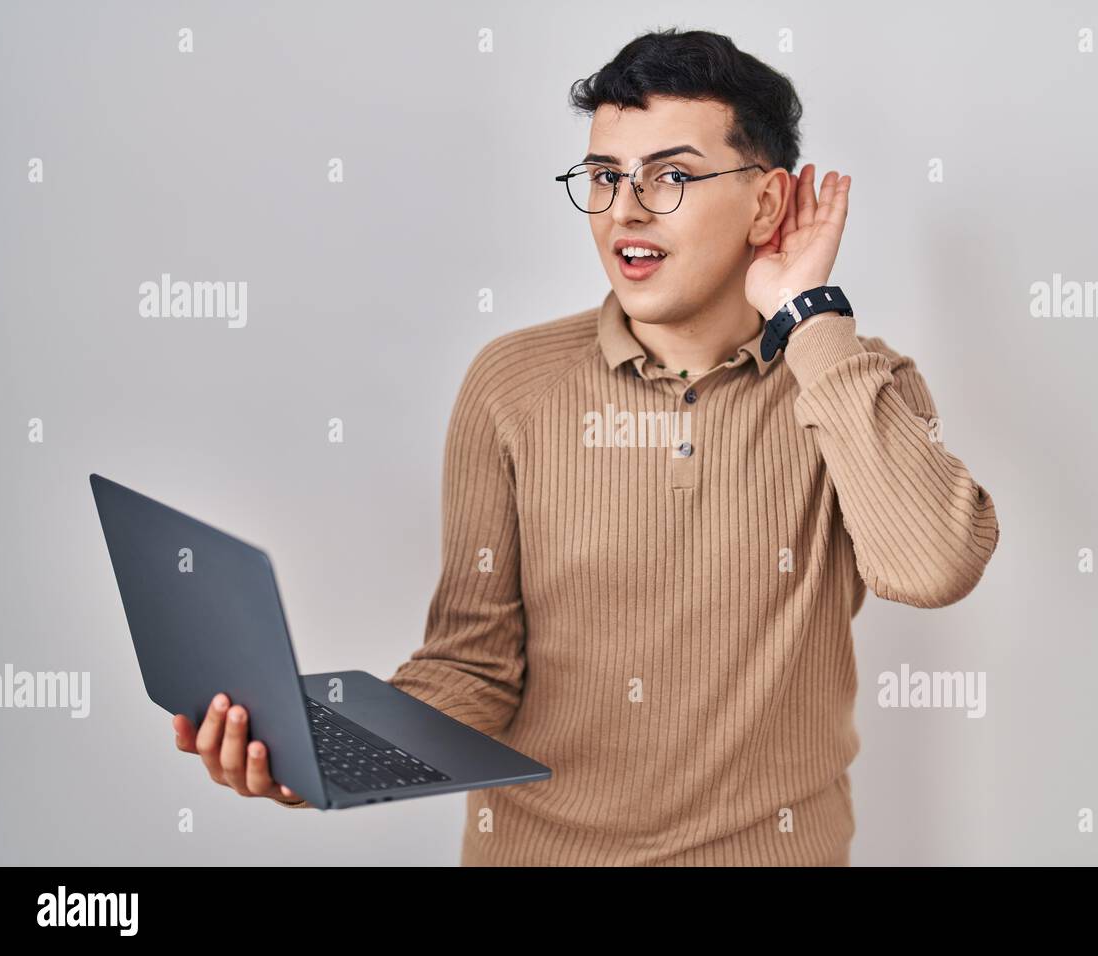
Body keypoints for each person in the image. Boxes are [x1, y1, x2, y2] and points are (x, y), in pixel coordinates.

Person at [173, 27, 1000, 866]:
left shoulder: (852, 381)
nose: (625, 211)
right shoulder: (512, 383)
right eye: (605, 177)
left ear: (766, 203)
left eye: (671, 176)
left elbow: (932, 569)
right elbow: (474, 666)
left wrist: (810, 318)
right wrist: (329, 751)